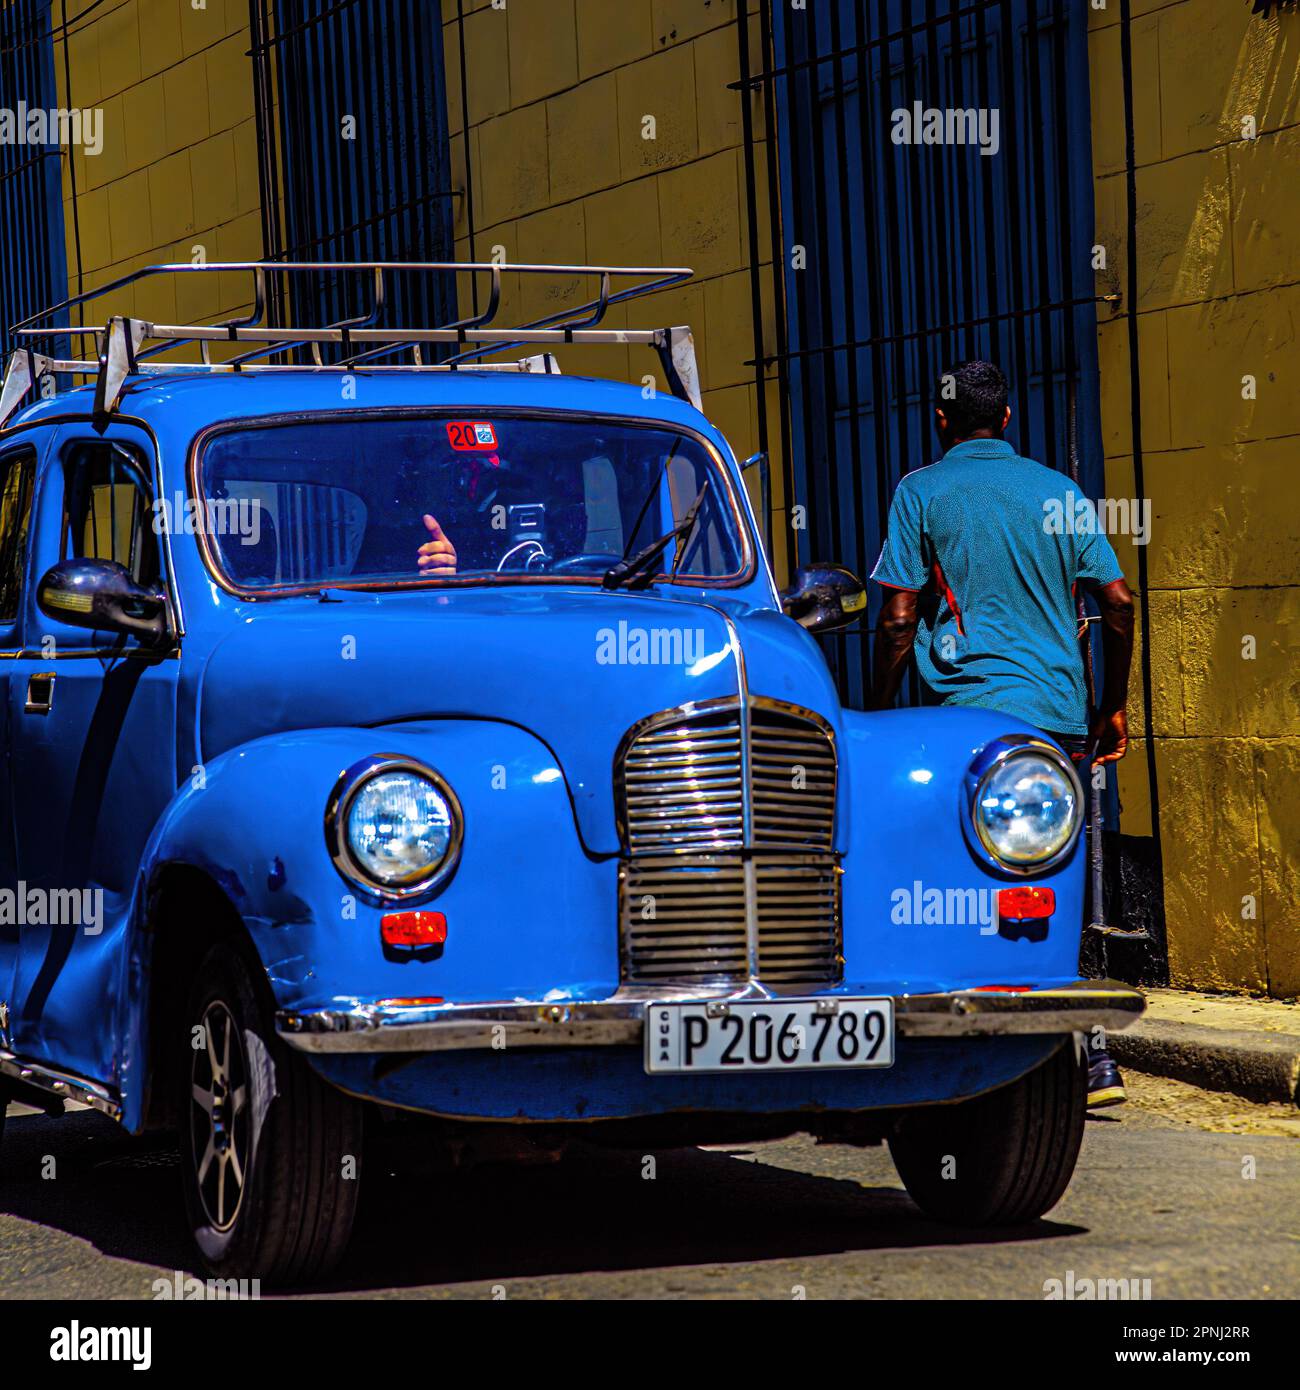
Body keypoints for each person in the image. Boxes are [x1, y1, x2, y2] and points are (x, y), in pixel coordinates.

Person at [868, 360, 1135, 1109]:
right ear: (1010, 419)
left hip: (965, 723)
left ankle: (960, 1040)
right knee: (1054, 872)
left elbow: (895, 621)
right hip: (1055, 718)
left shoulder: (920, 491)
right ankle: (1093, 1054)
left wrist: (877, 716)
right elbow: (1117, 605)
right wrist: (1110, 707)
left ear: (940, 421)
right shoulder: (1059, 493)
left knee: (961, 880)